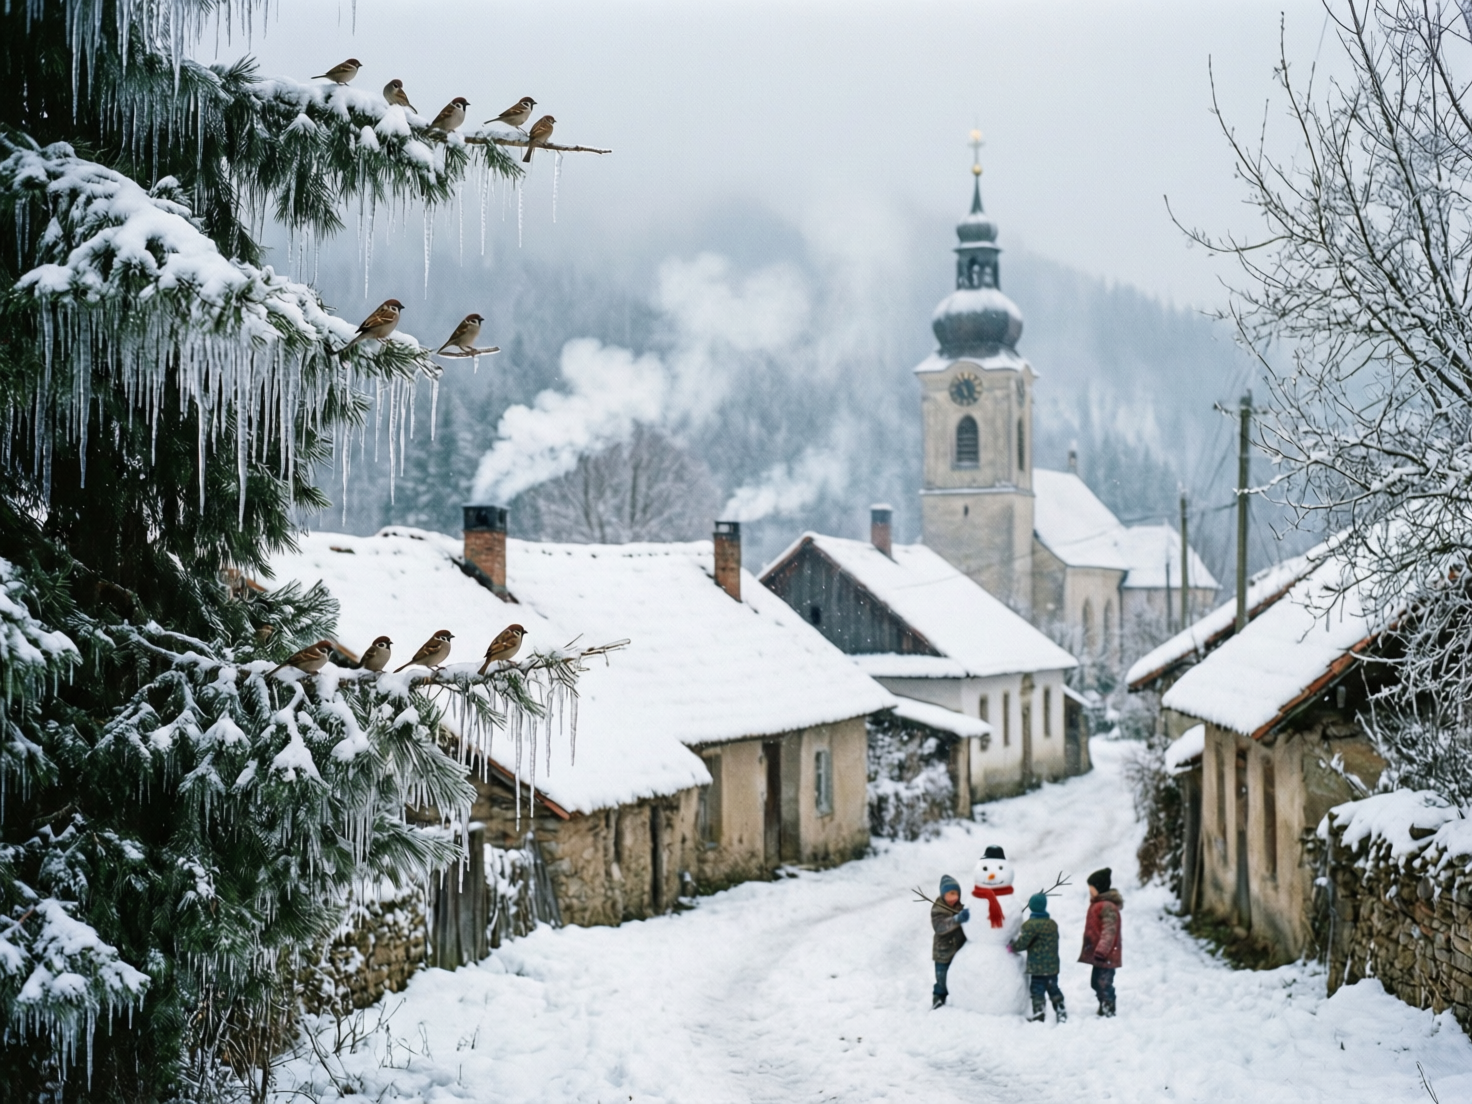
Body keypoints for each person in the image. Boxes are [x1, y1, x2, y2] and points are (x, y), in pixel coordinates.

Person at [1012, 891, 1065, 1023]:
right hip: (1052, 965)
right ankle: (1060, 1009)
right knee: (1053, 988)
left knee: (1037, 990)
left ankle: (1039, 1014)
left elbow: (1023, 943)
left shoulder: (1030, 925)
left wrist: (1013, 947)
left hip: (1037, 966)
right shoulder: (1052, 924)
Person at [1079, 867, 1123, 1017]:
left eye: (1092, 888)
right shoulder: (1099, 904)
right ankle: (1103, 1004)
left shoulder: (1107, 907)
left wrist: (1102, 951)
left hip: (1106, 955)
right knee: (1096, 982)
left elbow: (1109, 932)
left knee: (1103, 983)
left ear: (1100, 888)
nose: (1090, 891)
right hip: (1100, 955)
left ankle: (1108, 1008)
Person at [931, 874, 971, 1009]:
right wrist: (957, 919)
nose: (952, 898)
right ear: (943, 895)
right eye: (949, 894)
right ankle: (939, 997)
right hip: (943, 952)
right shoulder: (938, 909)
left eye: (955, 894)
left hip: (958, 950)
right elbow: (940, 926)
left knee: (957, 976)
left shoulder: (960, 908)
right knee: (942, 978)